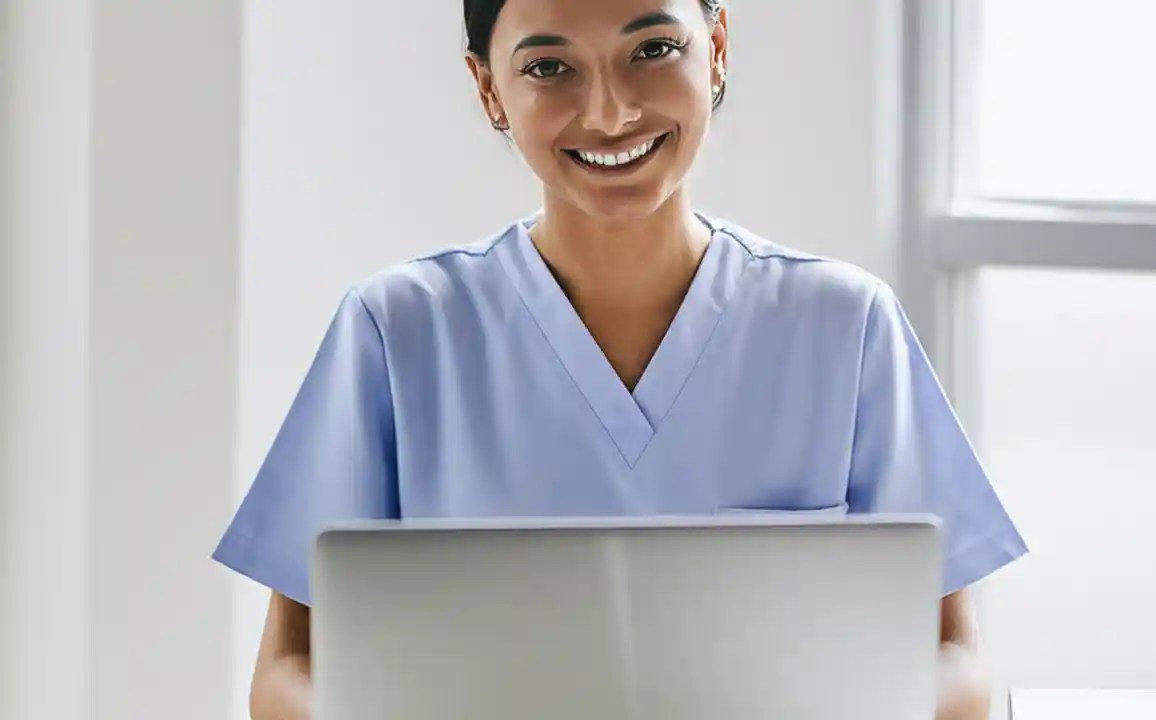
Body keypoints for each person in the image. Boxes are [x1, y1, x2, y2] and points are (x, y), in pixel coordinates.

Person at [213, 1, 1029, 718]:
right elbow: (288, 672)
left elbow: (954, 659)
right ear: (490, 89)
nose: (608, 113)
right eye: (549, 67)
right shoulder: (395, 333)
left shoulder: (845, 327)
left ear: (714, 50)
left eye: (652, 50)